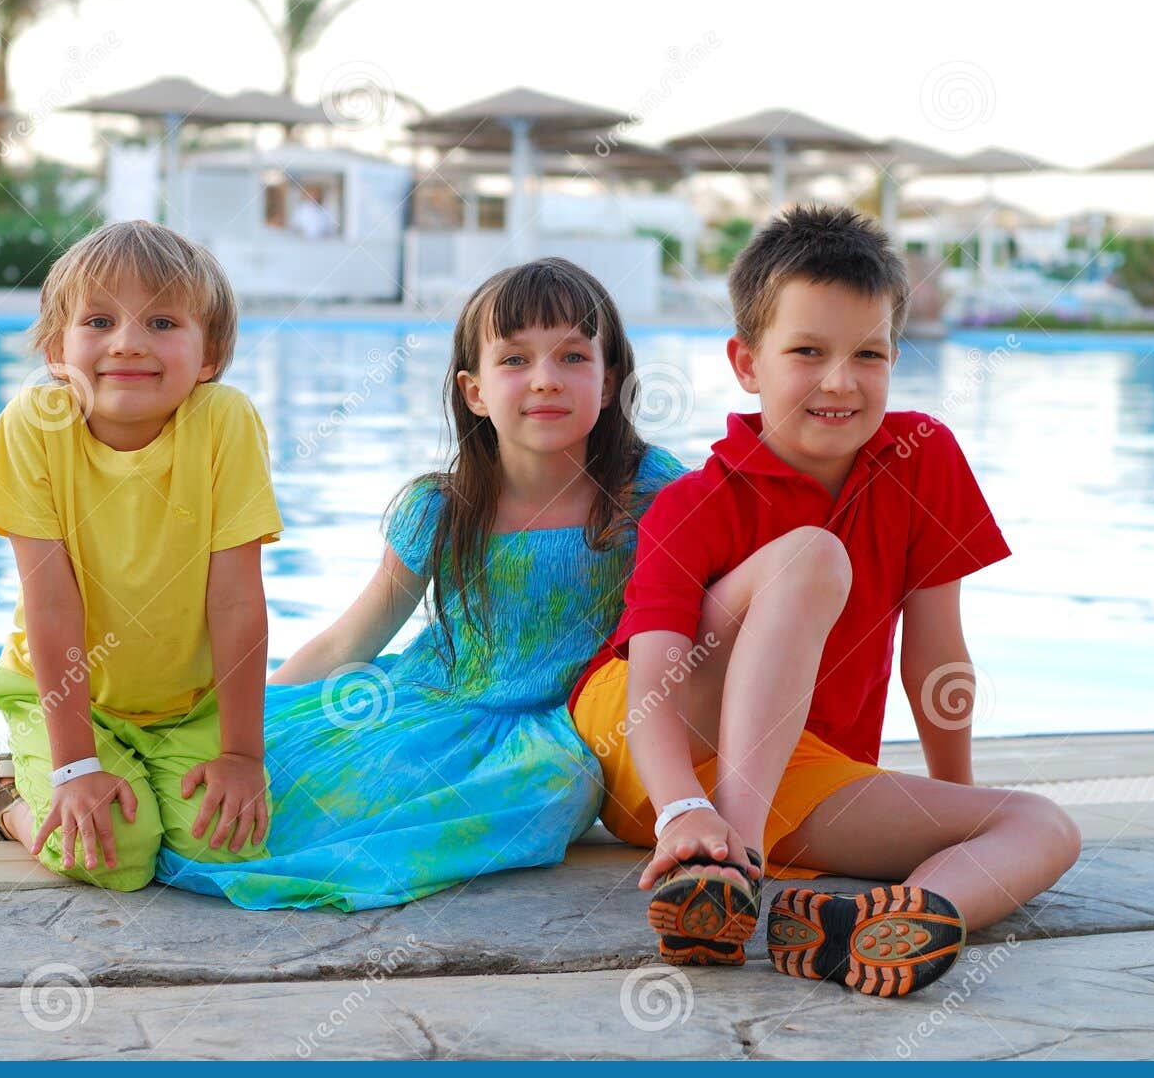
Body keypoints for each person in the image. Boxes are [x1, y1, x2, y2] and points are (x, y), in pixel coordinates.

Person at [568, 204, 1081, 996]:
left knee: (1042, 824)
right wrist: (680, 809)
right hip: (649, 745)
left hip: (797, 766)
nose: (840, 380)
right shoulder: (692, 505)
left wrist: (962, 800)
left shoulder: (923, 458)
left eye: (867, 354)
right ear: (747, 362)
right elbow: (652, 677)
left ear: (895, 357)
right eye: (808, 351)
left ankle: (886, 922)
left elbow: (937, 657)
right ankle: (732, 861)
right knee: (812, 557)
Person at [157, 257, 686, 910]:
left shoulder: (648, 492)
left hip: (557, 727)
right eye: (515, 360)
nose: (546, 379)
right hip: (433, 702)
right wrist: (255, 720)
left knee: (560, 786)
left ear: (608, 383)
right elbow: (351, 638)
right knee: (303, 776)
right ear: (474, 391)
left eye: (573, 357)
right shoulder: (441, 508)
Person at [0, 219, 283, 892]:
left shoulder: (225, 421)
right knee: (113, 857)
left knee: (223, 849)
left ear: (210, 354)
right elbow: (52, 606)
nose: (128, 342)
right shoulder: (34, 425)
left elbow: (235, 599)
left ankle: (147, 776)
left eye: (162, 323)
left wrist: (241, 755)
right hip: (65, 698)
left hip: (186, 705)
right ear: (57, 348)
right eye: (99, 321)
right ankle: (5, 799)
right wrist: (76, 768)